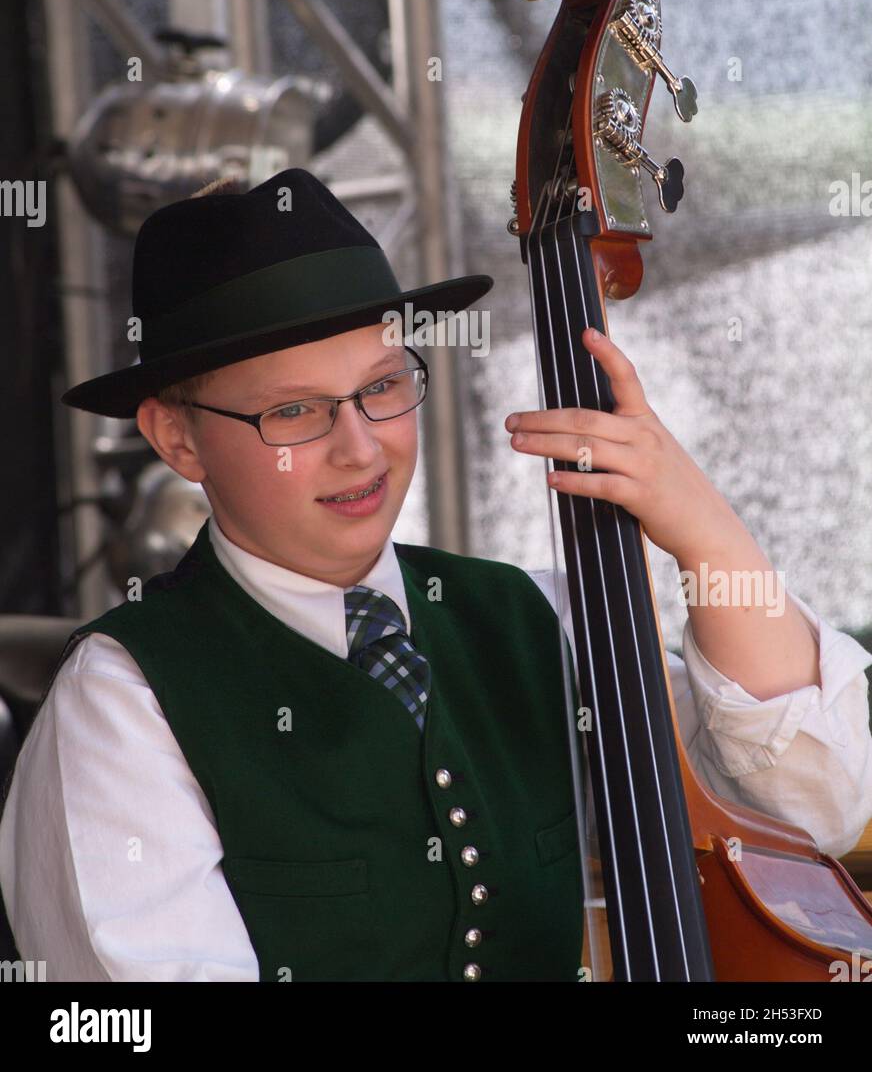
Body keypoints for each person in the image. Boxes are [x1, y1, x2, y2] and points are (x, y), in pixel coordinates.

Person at [0, 167, 870, 982]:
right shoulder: (121, 702)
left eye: (383, 386)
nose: (359, 445)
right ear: (177, 438)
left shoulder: (535, 618)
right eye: (294, 411)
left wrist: (708, 536)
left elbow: (807, 813)